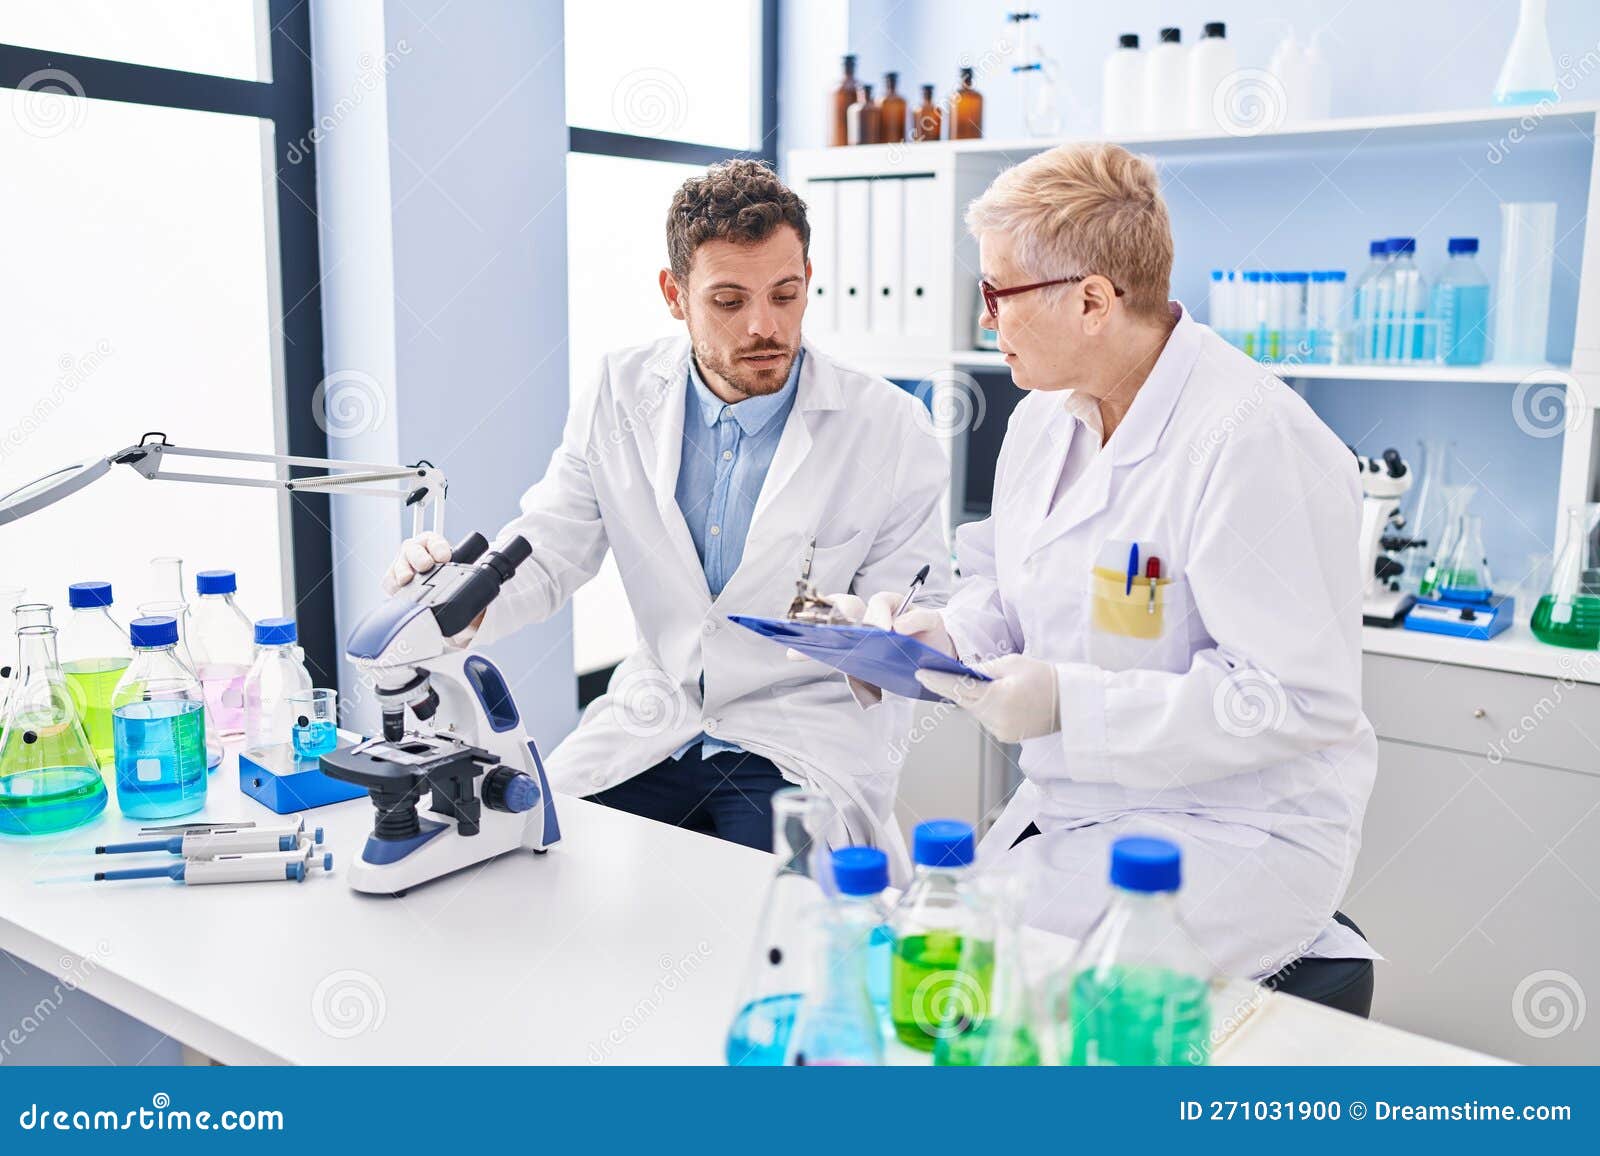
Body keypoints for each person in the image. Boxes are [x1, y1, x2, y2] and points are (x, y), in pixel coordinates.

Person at [848, 142, 1378, 981]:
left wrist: (1071, 703)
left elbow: (1298, 700)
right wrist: (940, 638)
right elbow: (1006, 586)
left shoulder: (1255, 441)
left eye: (996, 294)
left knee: (986, 981)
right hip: (1081, 806)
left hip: (1238, 830)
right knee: (926, 953)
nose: (986, 322)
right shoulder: (1043, 417)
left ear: (1092, 300)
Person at [382, 160, 950, 861]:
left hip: (799, 734)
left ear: (808, 278)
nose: (765, 326)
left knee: (769, 899)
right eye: (729, 301)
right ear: (674, 295)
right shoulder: (619, 392)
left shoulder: (889, 428)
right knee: (531, 848)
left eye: (786, 294)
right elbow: (551, 548)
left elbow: (916, 611)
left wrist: (887, 632)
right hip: (657, 716)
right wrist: (456, 598)